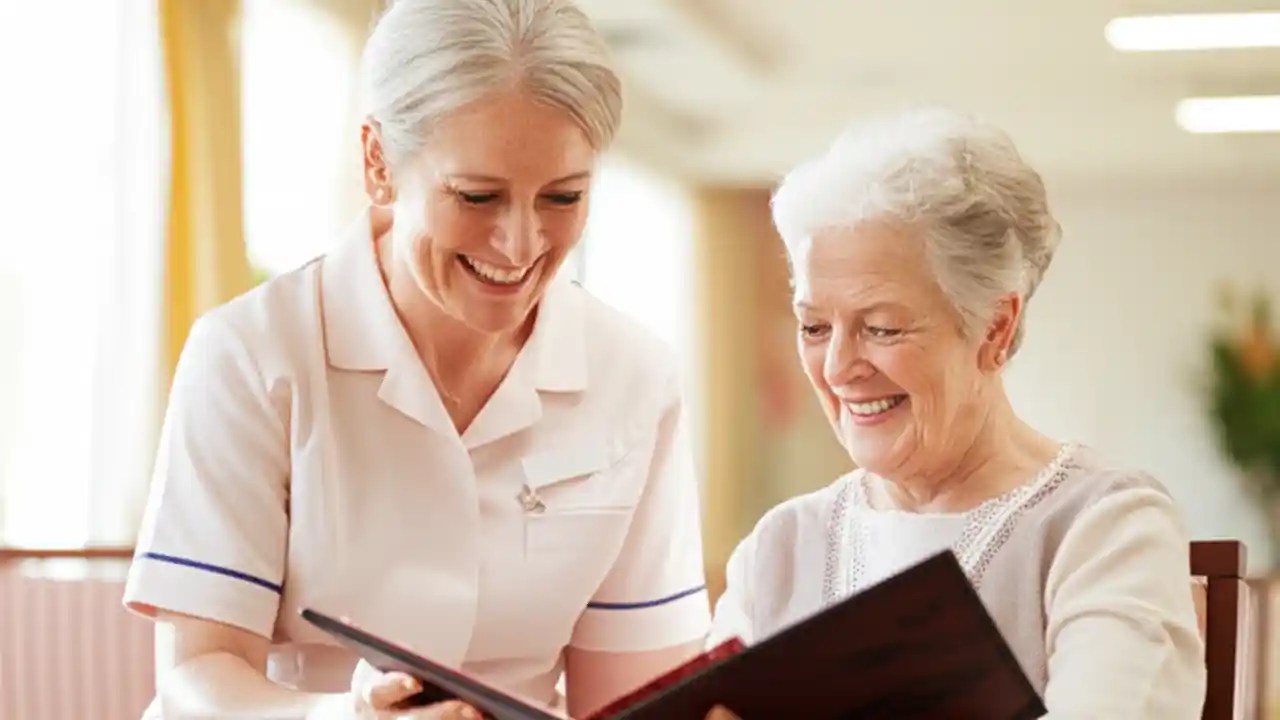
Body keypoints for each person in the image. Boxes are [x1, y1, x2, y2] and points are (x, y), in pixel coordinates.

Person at [123, 1, 712, 717]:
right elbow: (199, 671)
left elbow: (634, 697)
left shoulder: (634, 376)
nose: (520, 245)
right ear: (378, 162)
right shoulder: (252, 354)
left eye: (562, 197)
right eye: (476, 196)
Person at [706, 107, 1207, 718]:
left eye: (882, 328)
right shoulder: (780, 547)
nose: (838, 367)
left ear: (995, 328)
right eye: (813, 326)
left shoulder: (1107, 527)